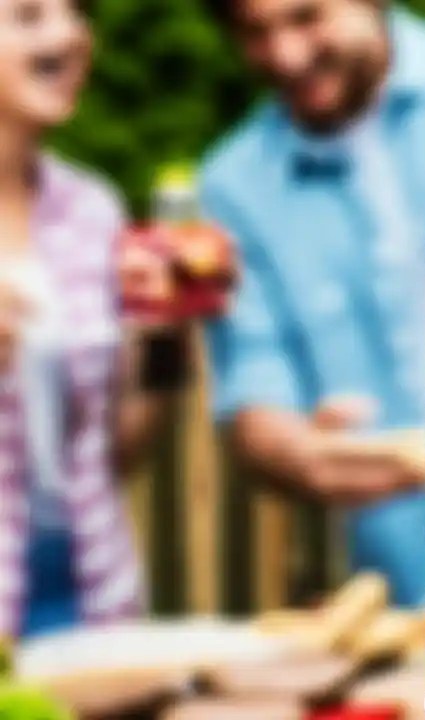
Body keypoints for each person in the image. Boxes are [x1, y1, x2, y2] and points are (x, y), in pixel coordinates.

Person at [199, 0, 425, 607]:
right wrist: (298, 451)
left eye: (306, 18)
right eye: (255, 33)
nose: (286, 57)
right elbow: (255, 386)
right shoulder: (235, 184)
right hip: (419, 595)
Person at [0, 0, 186, 638]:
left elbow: (112, 451)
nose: (70, 33)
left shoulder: (91, 209)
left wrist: (167, 335)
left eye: (76, 12)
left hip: (93, 600)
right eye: (29, 15)